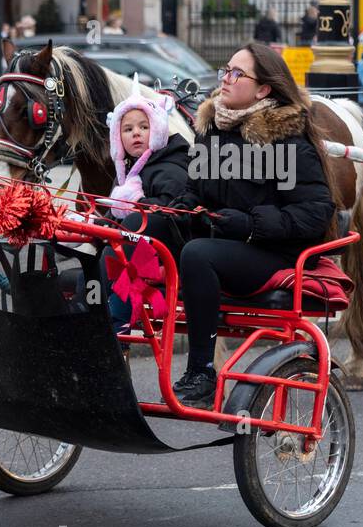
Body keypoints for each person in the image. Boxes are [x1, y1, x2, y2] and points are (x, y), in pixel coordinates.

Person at [139, 43, 339, 408]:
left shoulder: (289, 138)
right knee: (143, 230)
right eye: (225, 70)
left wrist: (250, 225)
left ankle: (201, 373)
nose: (225, 79)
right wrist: (176, 212)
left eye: (236, 74)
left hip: (275, 252)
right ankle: (107, 343)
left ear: (263, 89)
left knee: (199, 254)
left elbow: (316, 213)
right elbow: (194, 189)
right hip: (227, 243)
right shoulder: (212, 128)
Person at [98, 81, 192, 331]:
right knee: (102, 259)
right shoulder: (127, 173)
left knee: (118, 259)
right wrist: (95, 225)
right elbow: (114, 212)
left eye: (144, 126)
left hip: (171, 248)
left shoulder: (170, 166)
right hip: (137, 251)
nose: (136, 133)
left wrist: (138, 205)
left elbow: (174, 208)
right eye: (127, 129)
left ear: (159, 130)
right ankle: (89, 312)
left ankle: (115, 324)